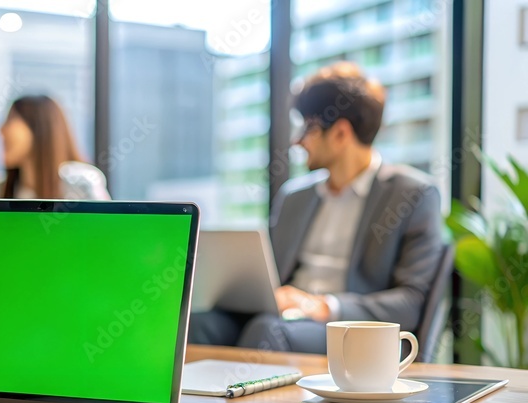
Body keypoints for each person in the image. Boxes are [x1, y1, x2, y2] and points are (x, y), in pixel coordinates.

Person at [189, 62, 442, 354]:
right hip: (282, 319)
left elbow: (411, 302)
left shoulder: (412, 195)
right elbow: (269, 274)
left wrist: (322, 306)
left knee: (266, 332)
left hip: (348, 331)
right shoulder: (295, 196)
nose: (298, 141)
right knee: (199, 325)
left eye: (308, 128)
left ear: (340, 134)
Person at [0, 95, 111, 200]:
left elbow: (105, 224)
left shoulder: (80, 183)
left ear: (38, 129)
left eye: (10, 120)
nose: (1, 129)